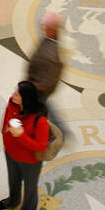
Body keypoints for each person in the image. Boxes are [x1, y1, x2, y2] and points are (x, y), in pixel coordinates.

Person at [0, 80, 50, 210]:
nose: (13, 94)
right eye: (15, 91)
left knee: (30, 189)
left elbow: (40, 146)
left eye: (17, 94)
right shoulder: (12, 104)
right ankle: (13, 200)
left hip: (30, 161)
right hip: (11, 153)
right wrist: (4, 131)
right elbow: (7, 117)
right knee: (12, 180)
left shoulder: (40, 120)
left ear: (26, 99)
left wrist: (20, 136)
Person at [27, 11, 68, 141]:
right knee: (45, 108)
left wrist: (30, 86)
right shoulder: (49, 40)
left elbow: (49, 81)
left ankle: (54, 134)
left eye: (46, 27)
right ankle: (61, 131)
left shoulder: (53, 54)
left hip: (40, 88)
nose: (42, 29)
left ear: (53, 29)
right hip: (37, 84)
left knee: (42, 109)